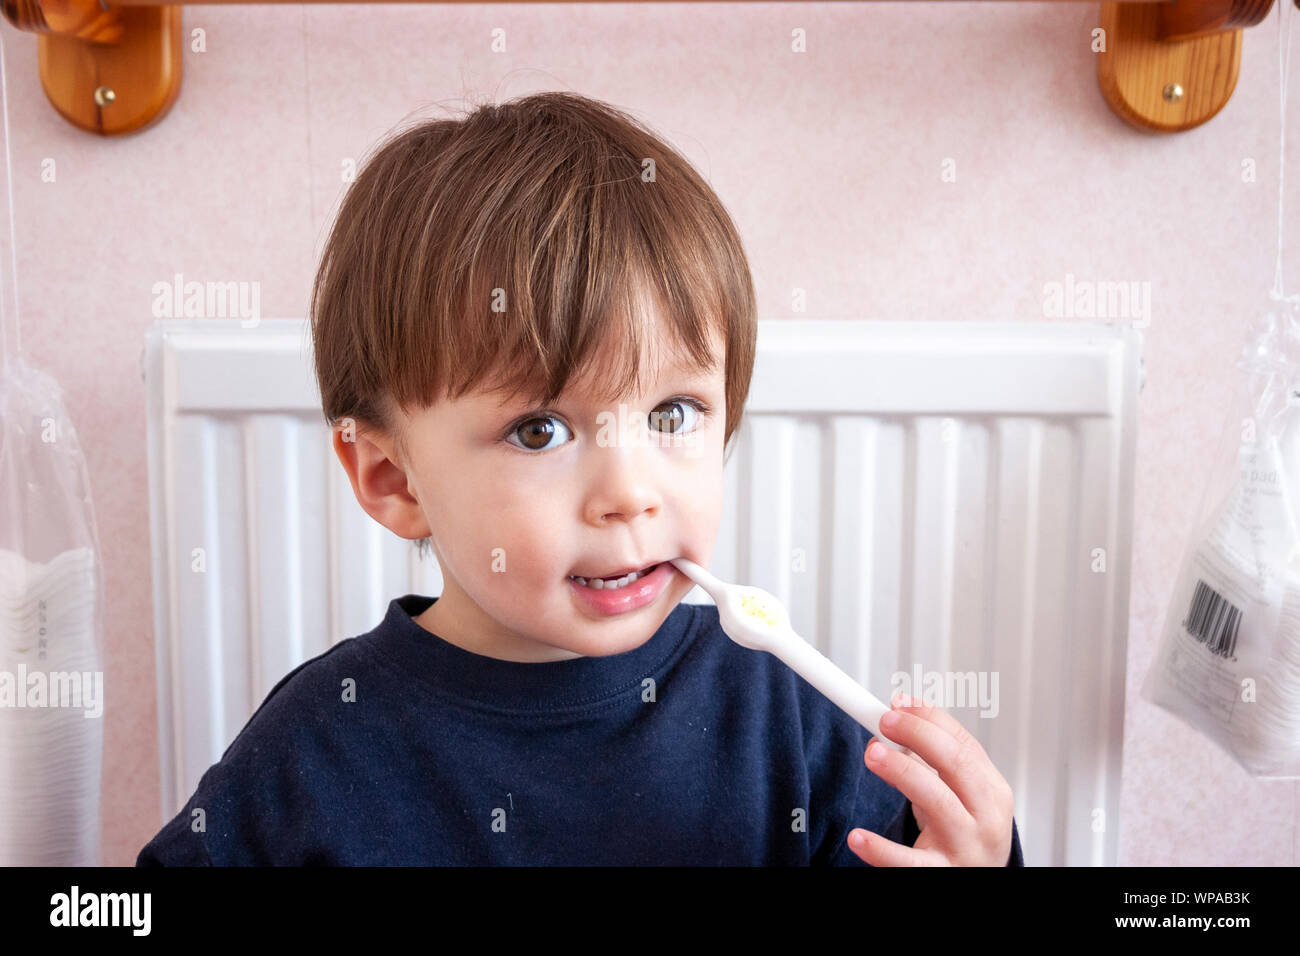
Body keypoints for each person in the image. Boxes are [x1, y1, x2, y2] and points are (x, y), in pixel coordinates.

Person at [138, 91, 1023, 866]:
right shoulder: (317, 746)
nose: (630, 493)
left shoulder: (785, 724)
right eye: (541, 429)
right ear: (391, 480)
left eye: (673, 415)